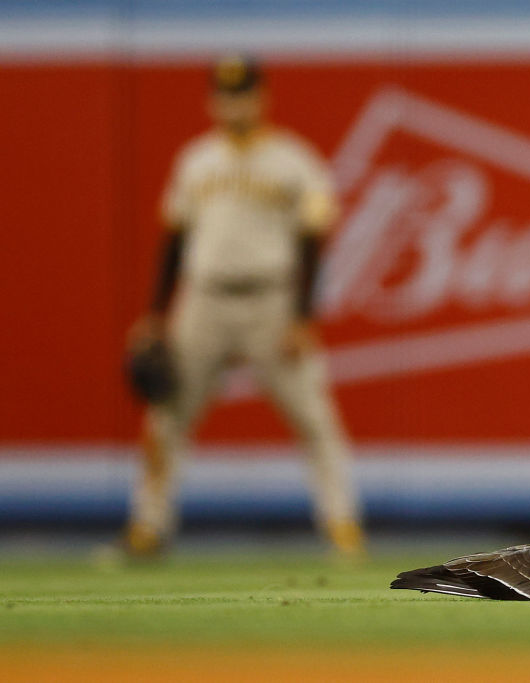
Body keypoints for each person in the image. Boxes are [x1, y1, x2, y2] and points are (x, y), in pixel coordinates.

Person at [123, 55, 364, 556]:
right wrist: (154, 315)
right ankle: (148, 526)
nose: (234, 101)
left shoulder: (294, 159)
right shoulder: (196, 160)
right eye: (225, 93)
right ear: (213, 100)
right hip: (203, 299)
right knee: (166, 418)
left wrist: (302, 317)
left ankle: (342, 525)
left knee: (315, 417)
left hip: (272, 301)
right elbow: (173, 239)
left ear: (262, 97)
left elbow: (312, 242)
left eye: (244, 92)